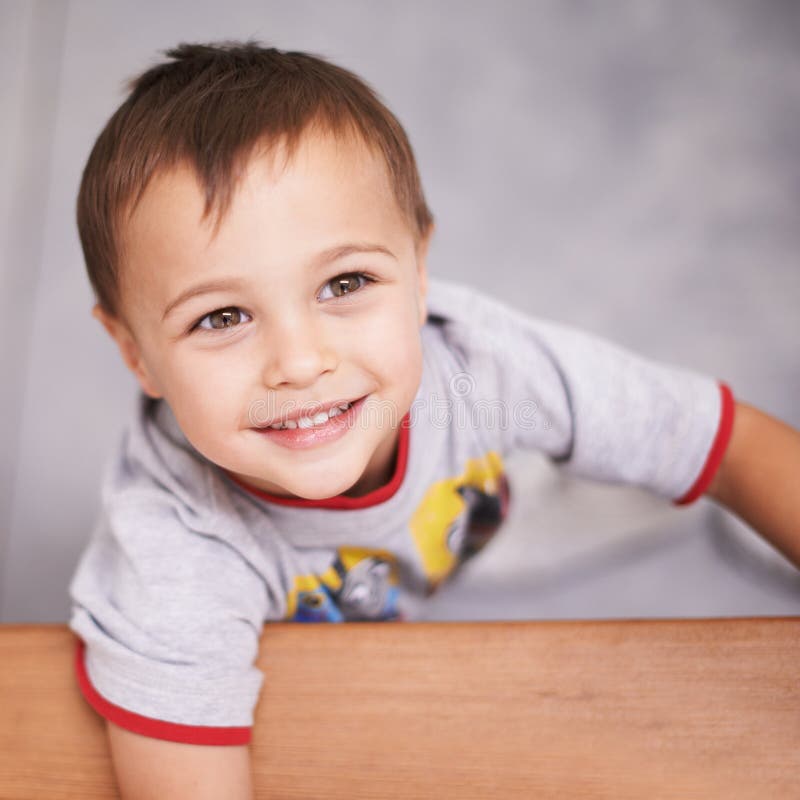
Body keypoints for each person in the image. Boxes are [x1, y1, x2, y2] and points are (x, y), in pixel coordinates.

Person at [67, 39, 800, 799]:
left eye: (344, 282)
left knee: (662, 500)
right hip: (338, 672)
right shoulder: (177, 554)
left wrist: (714, 473)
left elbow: (733, 442)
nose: (301, 360)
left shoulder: (483, 369)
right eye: (221, 317)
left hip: (493, 532)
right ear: (136, 354)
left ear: (420, 278)